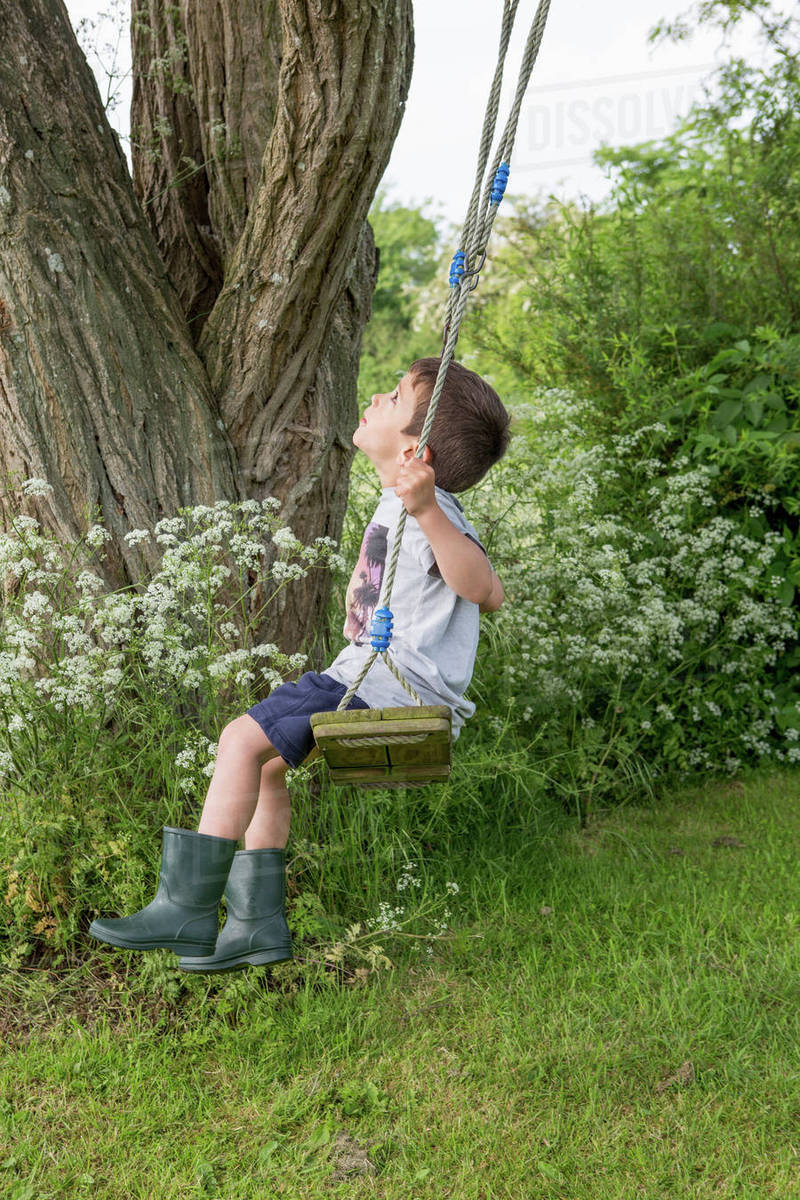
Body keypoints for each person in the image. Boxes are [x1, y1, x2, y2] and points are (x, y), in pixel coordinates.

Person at [89, 357, 510, 973]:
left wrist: (425, 512)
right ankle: (255, 927)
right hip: (369, 684)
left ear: (415, 449)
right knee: (262, 771)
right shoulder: (406, 506)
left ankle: (184, 908)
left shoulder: (431, 511)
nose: (374, 395)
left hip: (388, 693)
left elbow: (485, 589)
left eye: (393, 396)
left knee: (237, 741)